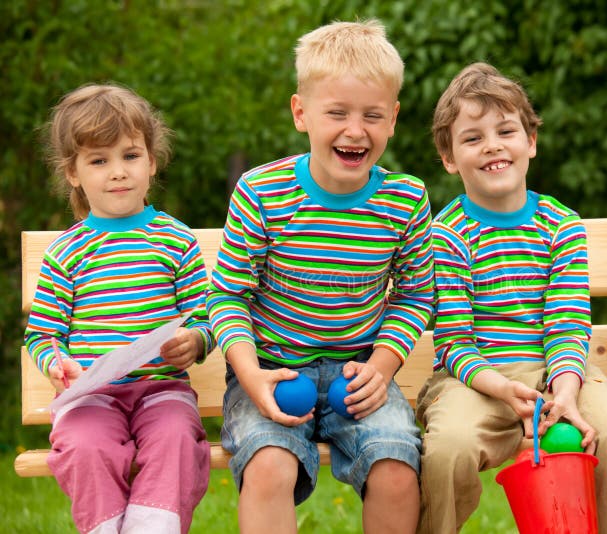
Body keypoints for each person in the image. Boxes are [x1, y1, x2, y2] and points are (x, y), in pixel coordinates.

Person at [206, 20, 434, 534]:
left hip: (358, 375)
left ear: (393, 119)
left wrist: (382, 364)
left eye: (373, 115)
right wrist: (251, 378)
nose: (356, 130)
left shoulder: (405, 200)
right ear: (300, 112)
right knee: (269, 467)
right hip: (273, 371)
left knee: (397, 468)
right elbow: (227, 297)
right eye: (337, 113)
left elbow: (416, 295)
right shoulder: (263, 192)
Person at [416, 62, 607, 534]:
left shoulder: (559, 224)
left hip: (561, 374)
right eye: (472, 138)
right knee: (448, 451)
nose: (492, 145)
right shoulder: (446, 234)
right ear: (449, 158)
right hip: (477, 380)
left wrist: (565, 393)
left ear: (530, 141)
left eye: (506, 131)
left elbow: (567, 324)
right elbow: (454, 343)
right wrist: (503, 390)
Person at [25, 83, 213, 534]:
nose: (118, 172)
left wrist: (194, 342)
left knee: (176, 440)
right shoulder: (68, 251)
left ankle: (153, 526)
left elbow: (205, 319)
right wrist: (56, 362)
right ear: (73, 173)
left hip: (161, 391)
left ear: (151, 162)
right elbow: (41, 335)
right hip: (91, 396)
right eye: (98, 160)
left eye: (130, 156)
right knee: (86, 445)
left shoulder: (176, 240)